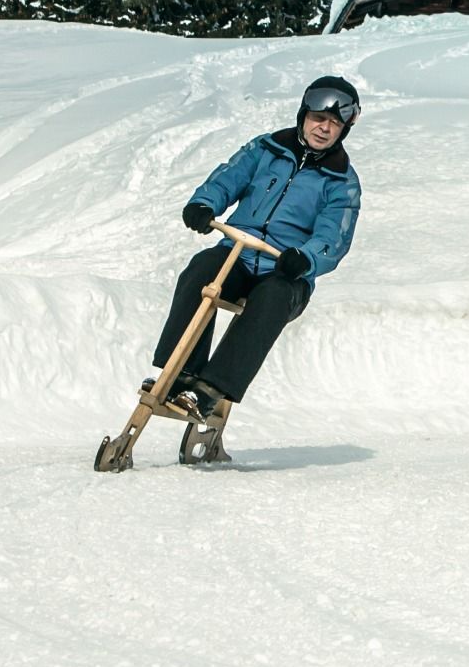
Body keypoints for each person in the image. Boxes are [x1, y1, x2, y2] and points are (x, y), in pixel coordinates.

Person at [152, 74, 364, 419]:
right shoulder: (266, 149)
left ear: (344, 129)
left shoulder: (342, 182)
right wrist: (204, 204)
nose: (324, 129)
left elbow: (334, 239)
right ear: (304, 115)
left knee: (272, 298)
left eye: (334, 123)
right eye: (318, 118)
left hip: (285, 270)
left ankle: (211, 389)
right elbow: (227, 179)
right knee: (202, 269)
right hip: (238, 253)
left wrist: (305, 258)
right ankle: (182, 374)